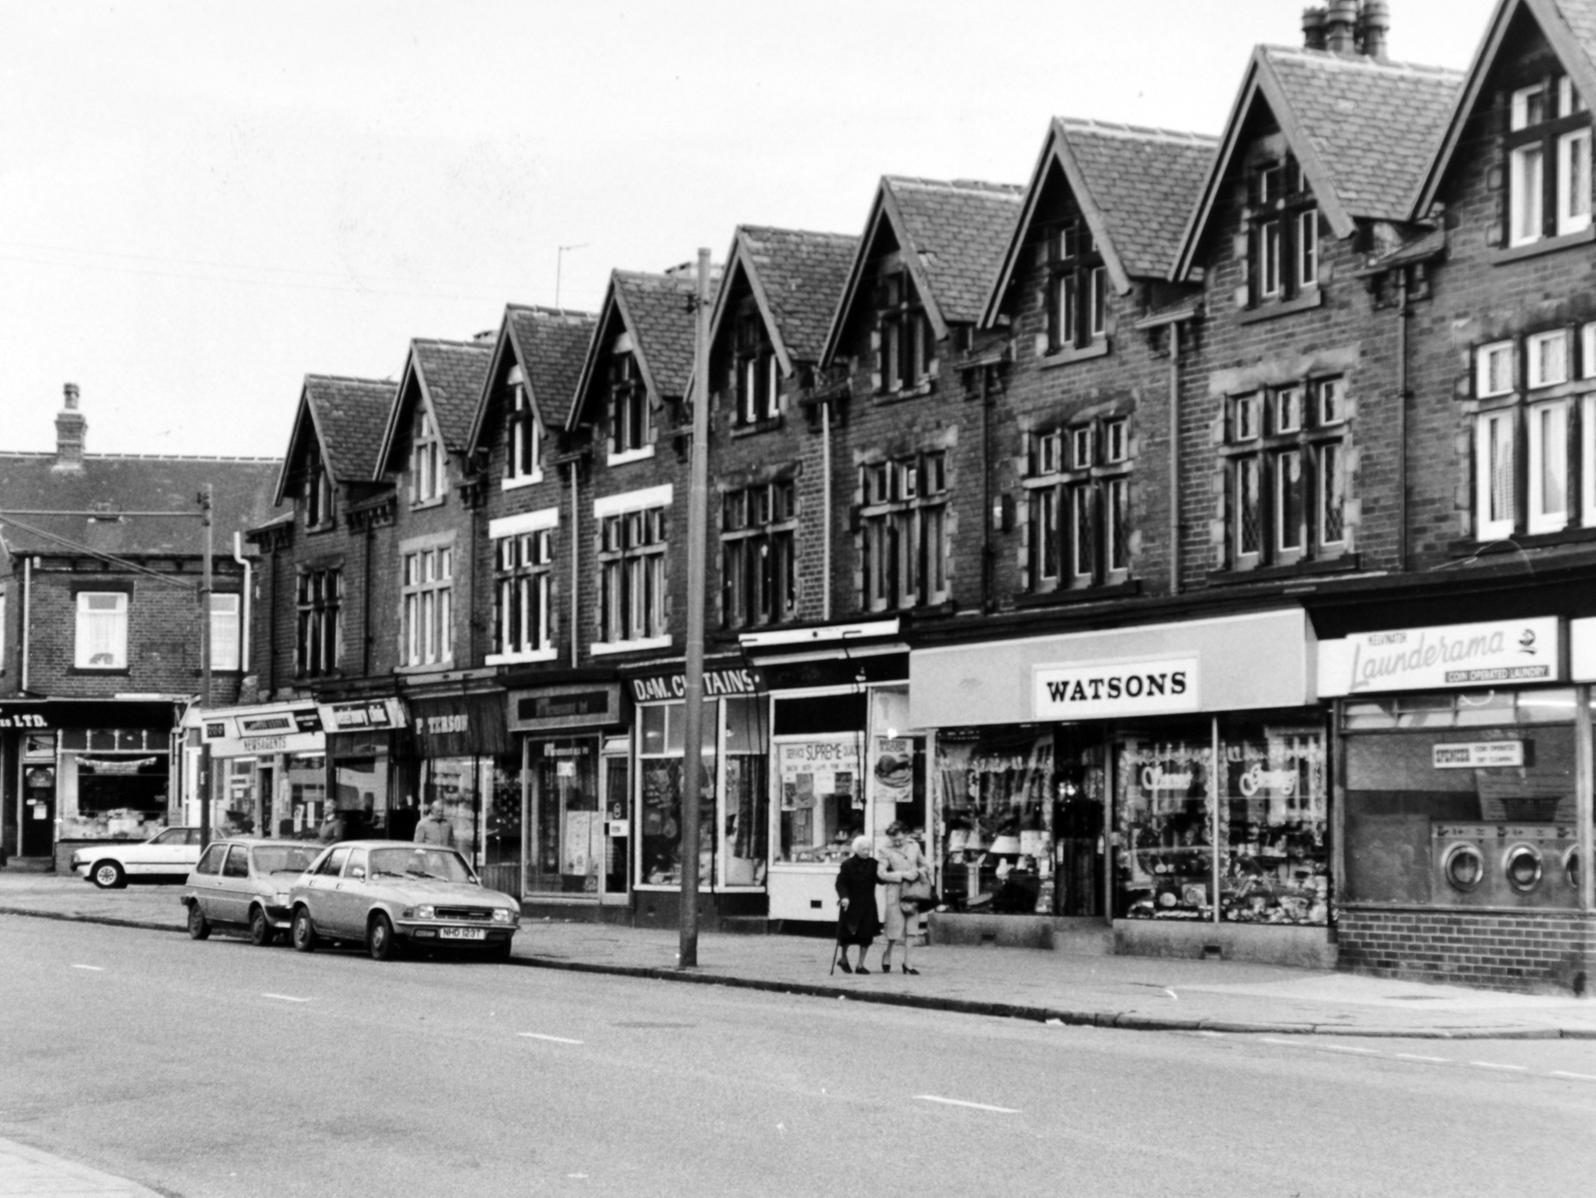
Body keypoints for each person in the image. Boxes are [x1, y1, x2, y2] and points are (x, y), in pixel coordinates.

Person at [876, 821, 929, 974]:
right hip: (895, 890)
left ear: (906, 835)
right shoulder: (885, 850)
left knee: (912, 927)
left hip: (913, 890)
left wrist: (919, 872)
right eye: (894, 840)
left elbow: (925, 864)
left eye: (900, 839)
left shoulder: (914, 846)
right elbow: (881, 873)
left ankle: (908, 962)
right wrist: (902, 875)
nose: (898, 843)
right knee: (894, 926)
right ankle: (887, 954)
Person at [833, 835, 882, 974]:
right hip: (851, 904)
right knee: (847, 935)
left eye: (869, 849)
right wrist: (844, 897)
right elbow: (840, 883)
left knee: (866, 936)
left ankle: (860, 964)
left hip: (868, 904)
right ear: (857, 850)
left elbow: (880, 878)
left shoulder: (874, 864)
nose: (867, 852)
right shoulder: (847, 864)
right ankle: (843, 958)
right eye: (864, 849)